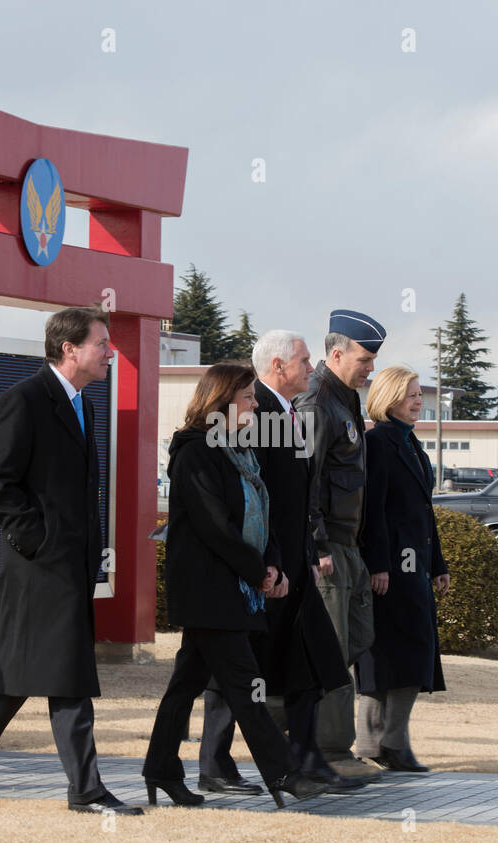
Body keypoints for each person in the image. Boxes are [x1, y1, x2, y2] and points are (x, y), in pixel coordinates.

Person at [0, 307, 140, 815]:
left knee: (29, 672)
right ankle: (86, 791)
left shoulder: (83, 403)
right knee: (66, 674)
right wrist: (39, 541)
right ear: (69, 349)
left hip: (68, 566)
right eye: (101, 343)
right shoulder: (24, 400)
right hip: (39, 567)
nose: (109, 352)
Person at [144, 361, 329, 808]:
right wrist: (258, 571)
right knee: (246, 685)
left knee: (186, 684)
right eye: (247, 397)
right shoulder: (193, 451)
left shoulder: (240, 449)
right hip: (209, 590)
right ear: (222, 401)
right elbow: (215, 527)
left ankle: (161, 768)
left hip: (234, 588)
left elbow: (264, 516)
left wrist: (274, 565)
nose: (253, 404)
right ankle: (283, 772)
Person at [197, 332, 359, 794]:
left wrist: (312, 550)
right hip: (265, 569)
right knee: (235, 666)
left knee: (310, 663)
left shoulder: (287, 412)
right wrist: (264, 565)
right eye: (305, 360)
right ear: (277, 365)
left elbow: (300, 494)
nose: (312, 368)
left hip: (293, 564)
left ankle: (308, 760)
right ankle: (215, 764)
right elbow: (248, 497)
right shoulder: (256, 413)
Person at [294, 309, 386, 783]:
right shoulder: (316, 403)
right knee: (331, 649)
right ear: (336, 353)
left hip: (348, 544)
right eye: (365, 360)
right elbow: (306, 480)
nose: (370, 369)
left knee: (355, 641)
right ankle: (328, 750)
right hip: (328, 545)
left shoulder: (345, 399)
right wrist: (317, 546)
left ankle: (327, 746)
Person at [358, 367, 450, 772]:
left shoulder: (411, 443)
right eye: (411, 394)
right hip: (390, 568)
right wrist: (378, 564)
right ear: (390, 397)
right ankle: (380, 742)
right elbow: (372, 510)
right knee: (388, 653)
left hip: (415, 566)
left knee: (412, 651)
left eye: (419, 394)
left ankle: (387, 741)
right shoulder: (378, 442)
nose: (418, 401)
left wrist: (438, 564)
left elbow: (423, 512)